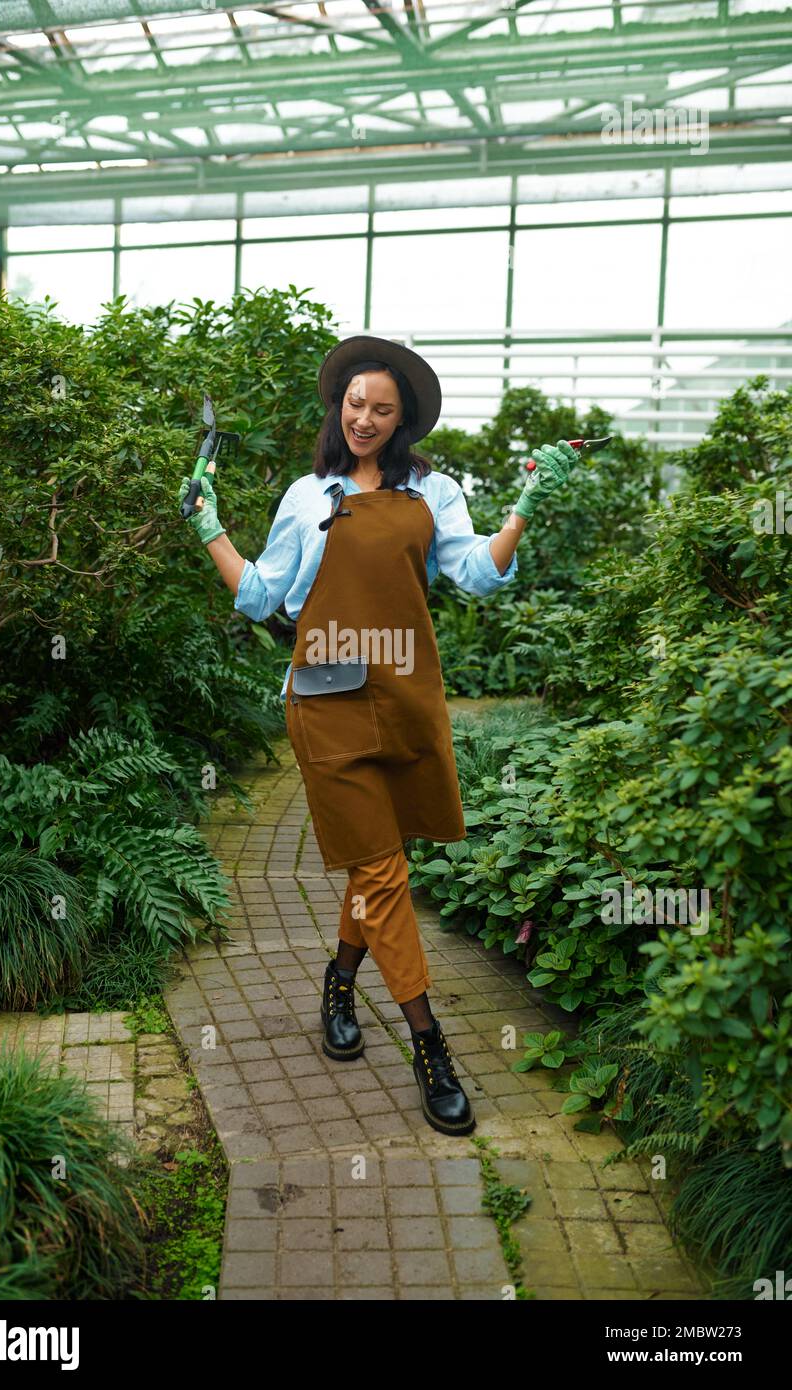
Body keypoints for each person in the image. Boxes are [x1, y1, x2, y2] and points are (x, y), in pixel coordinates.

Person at [177, 334, 579, 1136]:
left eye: (381, 410)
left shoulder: (436, 493)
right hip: (325, 703)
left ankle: (338, 979)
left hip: (404, 696)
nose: (364, 418)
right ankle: (431, 1047)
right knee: (385, 873)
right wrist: (211, 529)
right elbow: (262, 598)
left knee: (378, 864)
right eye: (355, 404)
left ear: (403, 422)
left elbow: (481, 573)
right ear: (341, 407)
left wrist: (526, 506)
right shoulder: (307, 495)